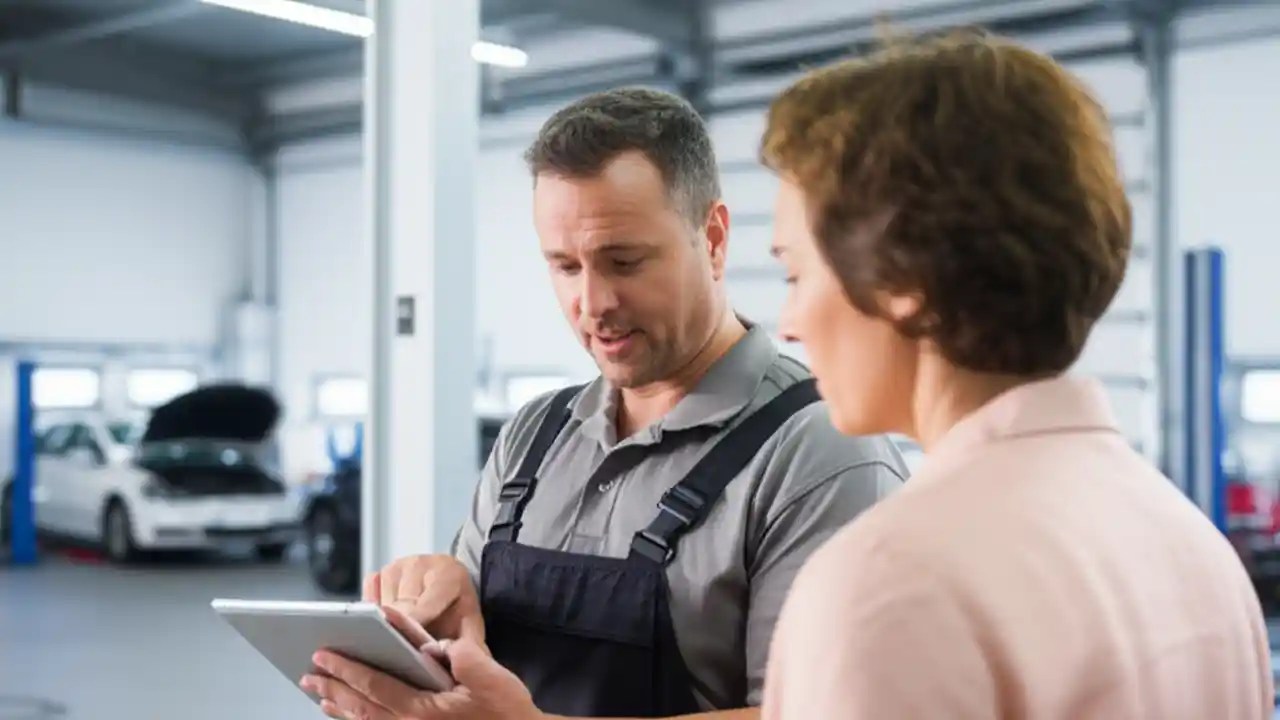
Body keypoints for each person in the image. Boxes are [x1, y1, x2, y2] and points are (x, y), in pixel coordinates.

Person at [301, 87, 908, 720]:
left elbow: (821, 713)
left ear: (715, 237)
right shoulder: (534, 436)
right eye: (565, 266)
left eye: (623, 261)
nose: (592, 303)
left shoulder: (823, 452)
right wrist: (449, 608)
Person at [756, 32, 1275, 719]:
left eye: (796, 273)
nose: (787, 322)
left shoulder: (890, 582)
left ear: (902, 276)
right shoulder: (1189, 542)